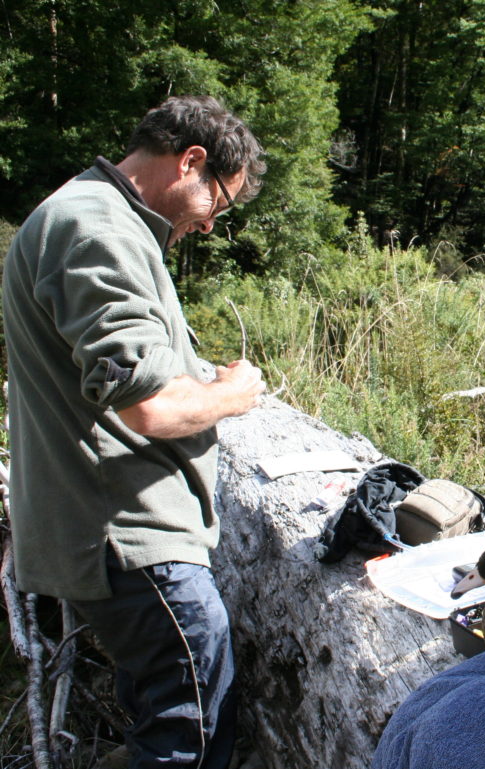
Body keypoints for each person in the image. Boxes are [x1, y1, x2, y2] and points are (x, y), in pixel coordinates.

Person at [3, 96, 268, 769]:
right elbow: (147, 407)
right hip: (126, 533)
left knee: (171, 727)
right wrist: (231, 395)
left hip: (116, 531)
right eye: (220, 205)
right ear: (191, 163)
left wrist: (200, 376)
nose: (210, 226)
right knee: (189, 743)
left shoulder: (93, 215)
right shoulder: (96, 228)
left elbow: (118, 368)